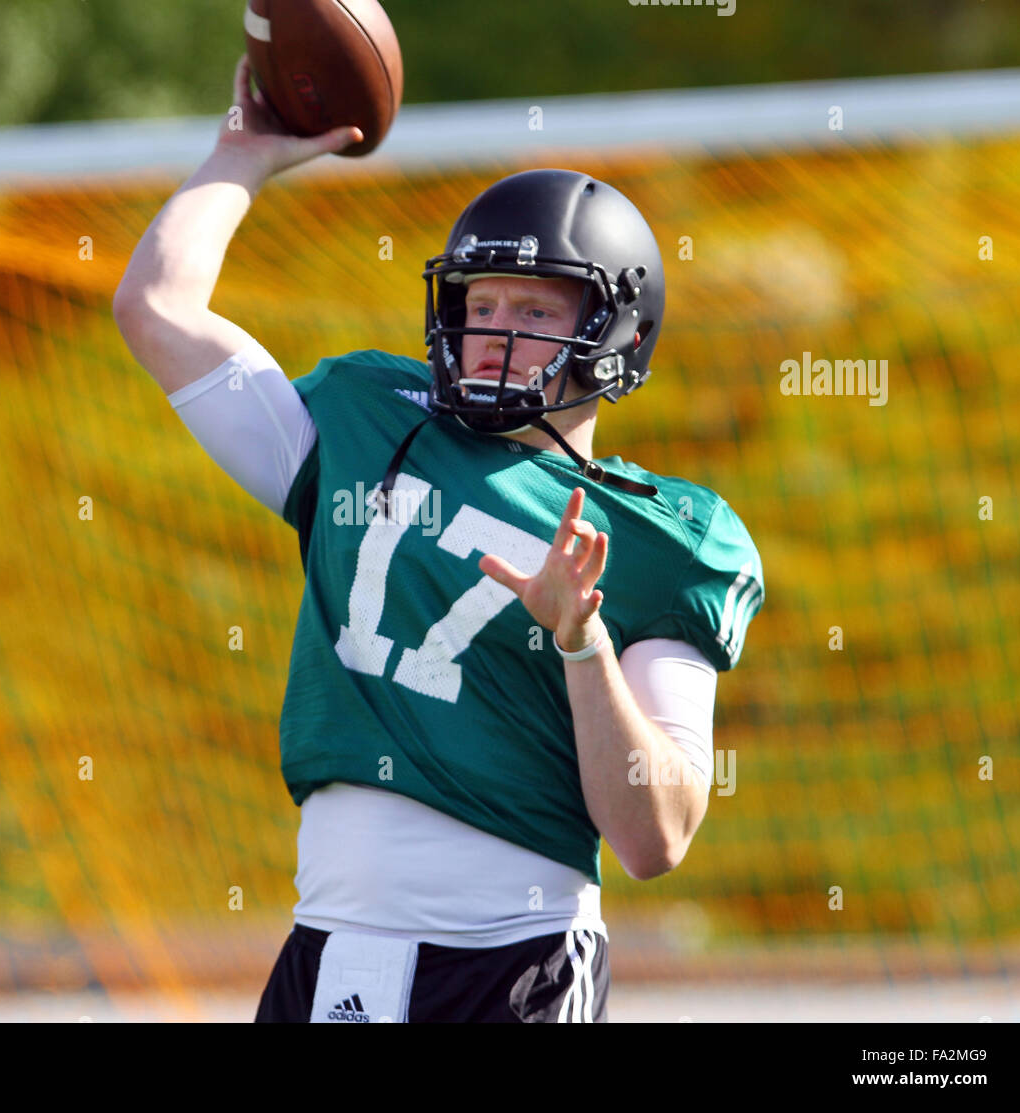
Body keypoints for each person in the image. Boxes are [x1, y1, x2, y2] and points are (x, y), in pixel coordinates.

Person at [113, 56, 765, 1023]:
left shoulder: (665, 535)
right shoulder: (370, 418)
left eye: (536, 311)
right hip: (325, 947)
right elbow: (156, 309)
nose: (495, 333)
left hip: (514, 961)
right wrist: (237, 160)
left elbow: (655, 834)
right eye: (480, 305)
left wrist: (581, 641)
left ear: (617, 337)